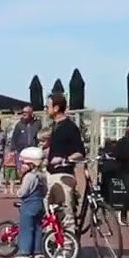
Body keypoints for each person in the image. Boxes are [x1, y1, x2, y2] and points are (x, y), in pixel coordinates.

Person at [45, 94, 86, 237]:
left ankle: (68, 246)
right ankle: (52, 243)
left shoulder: (70, 127)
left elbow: (80, 152)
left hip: (63, 174)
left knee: (66, 211)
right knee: (50, 212)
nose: (46, 109)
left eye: (48, 106)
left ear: (56, 108)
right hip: (50, 174)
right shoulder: (54, 126)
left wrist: (64, 159)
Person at [12, 147, 49, 258]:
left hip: (29, 205)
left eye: (23, 163)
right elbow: (45, 190)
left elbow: (23, 192)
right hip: (40, 204)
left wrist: (17, 192)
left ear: (30, 164)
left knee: (26, 228)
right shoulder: (43, 176)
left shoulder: (29, 177)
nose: (22, 166)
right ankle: (37, 253)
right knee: (38, 228)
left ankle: (25, 253)